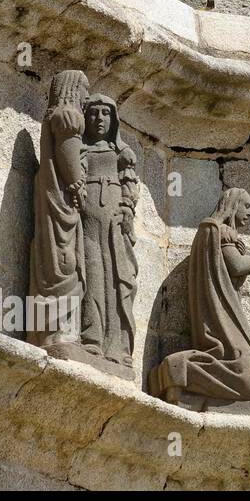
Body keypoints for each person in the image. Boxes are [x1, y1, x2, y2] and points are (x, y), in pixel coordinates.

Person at [148, 188, 250, 408]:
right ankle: (177, 370)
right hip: (224, 322)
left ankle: (183, 382)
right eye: (246, 206)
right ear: (232, 205)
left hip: (223, 319)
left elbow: (228, 275)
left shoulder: (216, 232)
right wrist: (249, 259)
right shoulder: (222, 231)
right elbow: (238, 265)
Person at [28, 70, 90, 350]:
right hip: (62, 198)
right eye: (85, 91)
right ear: (74, 89)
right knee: (65, 263)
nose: (87, 98)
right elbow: (68, 155)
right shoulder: (69, 116)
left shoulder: (53, 116)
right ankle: (62, 335)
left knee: (51, 259)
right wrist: (78, 185)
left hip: (51, 196)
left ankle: (47, 333)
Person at [77, 94, 139, 368]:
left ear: (113, 120)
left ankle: (116, 345)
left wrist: (126, 208)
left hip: (114, 224)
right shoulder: (79, 149)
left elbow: (129, 186)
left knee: (116, 281)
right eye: (93, 113)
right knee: (92, 275)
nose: (99, 119)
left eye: (105, 114)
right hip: (88, 223)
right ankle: (92, 338)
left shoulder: (121, 153)